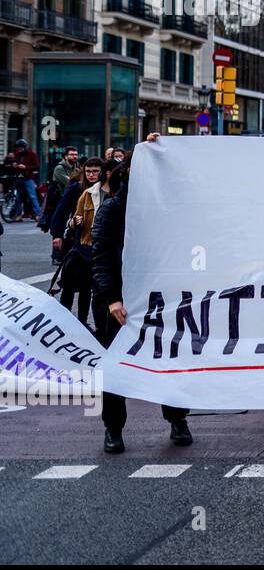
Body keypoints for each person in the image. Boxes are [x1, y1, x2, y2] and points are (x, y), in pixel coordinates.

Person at [92, 139, 191, 453]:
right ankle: (113, 428)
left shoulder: (166, 211)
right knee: (116, 363)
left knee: (168, 357)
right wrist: (112, 299)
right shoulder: (112, 209)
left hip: (159, 299)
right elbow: (102, 258)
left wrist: (159, 145)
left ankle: (177, 419)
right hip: (118, 302)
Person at [54, 158, 103, 328]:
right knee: (68, 285)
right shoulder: (77, 188)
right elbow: (62, 211)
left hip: (94, 247)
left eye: (95, 171)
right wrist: (59, 233)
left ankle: (82, 321)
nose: (91, 174)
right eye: (88, 171)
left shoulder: (105, 190)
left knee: (86, 288)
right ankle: (64, 321)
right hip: (77, 244)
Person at [11, 138, 39, 220]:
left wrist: (25, 167)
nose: (19, 149)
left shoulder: (32, 154)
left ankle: (38, 214)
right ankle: (18, 215)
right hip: (18, 178)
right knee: (17, 198)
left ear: (25, 147)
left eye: (21, 147)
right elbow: (13, 164)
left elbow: (37, 166)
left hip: (28, 178)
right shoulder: (16, 154)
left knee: (32, 196)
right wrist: (14, 165)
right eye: (18, 147)